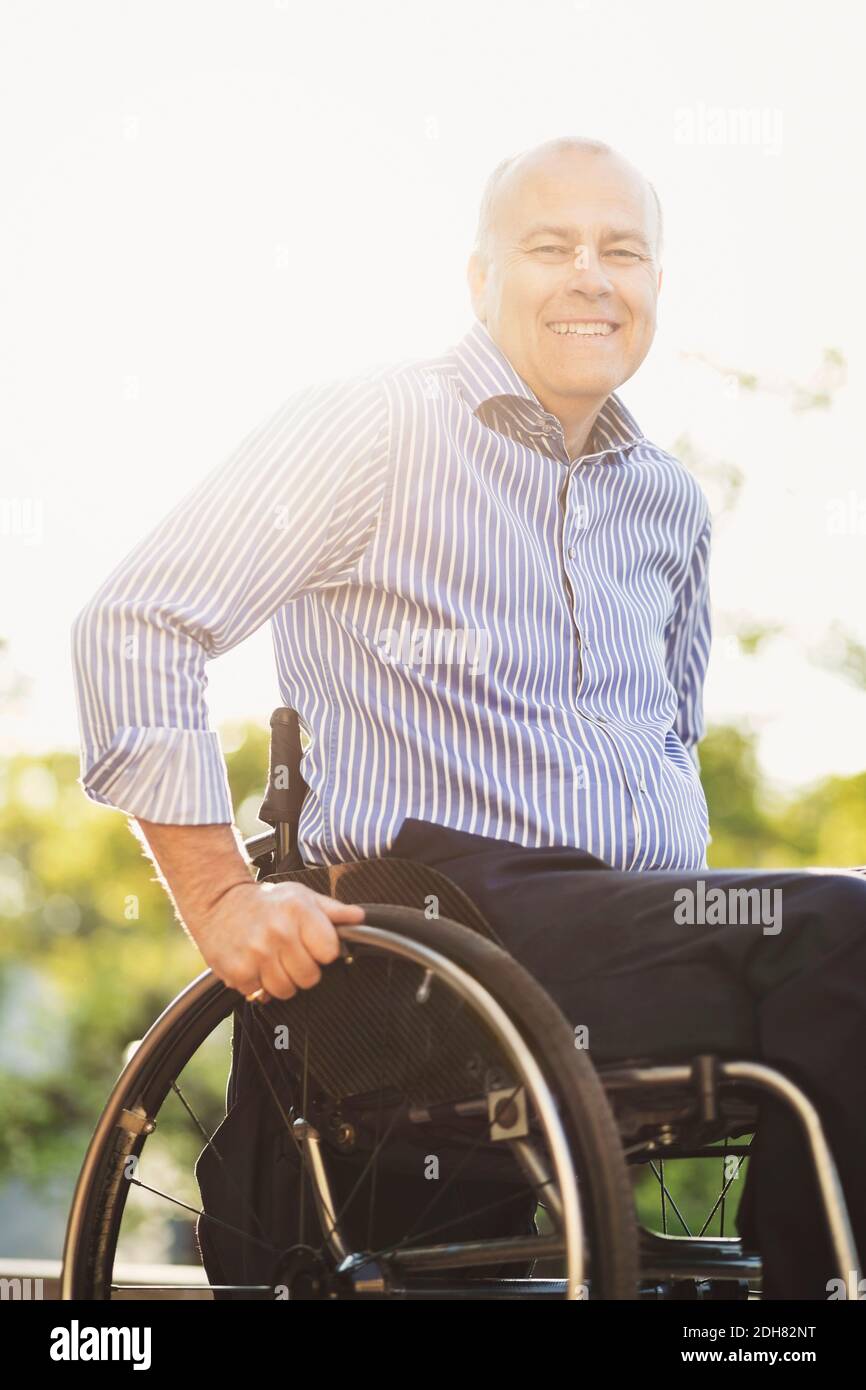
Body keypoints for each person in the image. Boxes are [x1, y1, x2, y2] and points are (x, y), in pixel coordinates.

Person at [71, 136, 866, 1299]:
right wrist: (218, 897)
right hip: (445, 928)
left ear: (655, 285)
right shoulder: (372, 427)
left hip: (618, 931)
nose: (591, 276)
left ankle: (789, 1285)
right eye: (550, 246)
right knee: (841, 931)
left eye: (623, 251)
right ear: (479, 278)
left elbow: (668, 741)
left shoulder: (669, 503)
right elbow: (134, 619)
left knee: (823, 954)